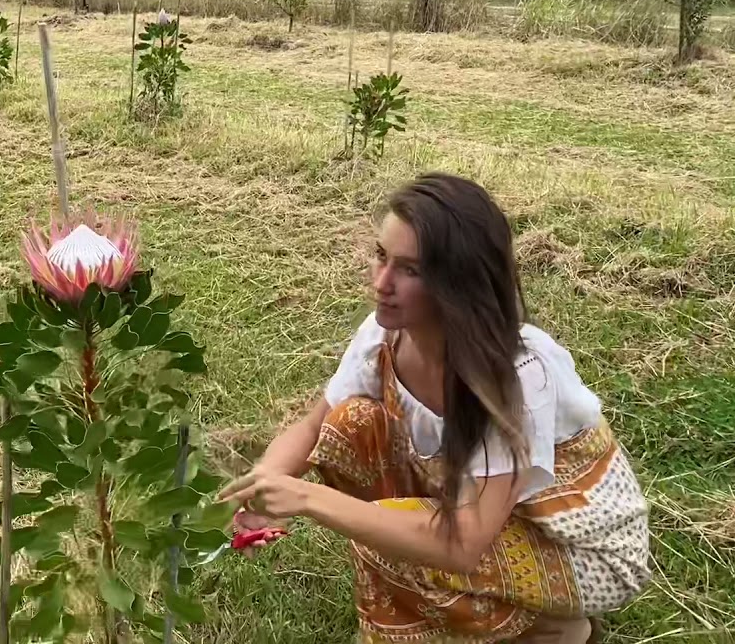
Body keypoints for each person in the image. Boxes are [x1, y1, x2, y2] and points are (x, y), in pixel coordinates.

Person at [220, 173, 651, 644]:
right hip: (478, 507)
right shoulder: (385, 334)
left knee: (393, 545)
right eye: (381, 255)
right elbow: (313, 427)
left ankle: (557, 630)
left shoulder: (518, 372)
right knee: (347, 427)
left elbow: (463, 544)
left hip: (580, 547)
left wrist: (309, 500)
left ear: (459, 282)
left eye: (411, 270)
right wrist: (260, 488)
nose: (382, 282)